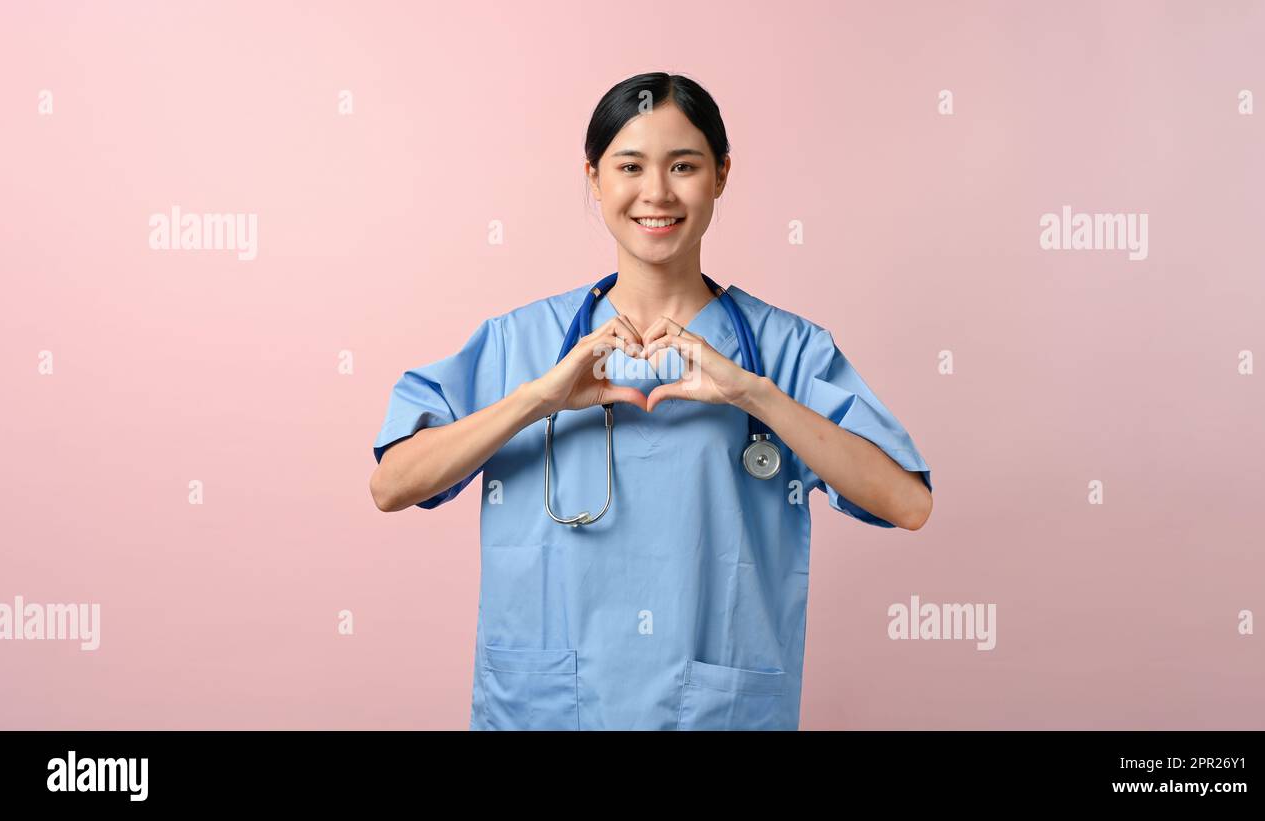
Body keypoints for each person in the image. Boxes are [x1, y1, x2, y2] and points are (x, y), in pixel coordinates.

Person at [369, 72, 933, 730]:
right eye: (629, 166)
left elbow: (907, 500)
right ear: (594, 177)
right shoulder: (525, 342)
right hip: (547, 711)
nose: (657, 193)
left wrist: (753, 392)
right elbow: (391, 484)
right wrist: (538, 399)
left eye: (684, 165)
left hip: (714, 713)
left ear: (721, 175)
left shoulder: (782, 350)